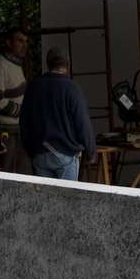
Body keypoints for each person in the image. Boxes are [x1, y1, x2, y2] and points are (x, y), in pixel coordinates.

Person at [19, 46, 96, 180]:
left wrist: (31, 150)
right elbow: (82, 123)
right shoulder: (72, 89)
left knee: (45, 200)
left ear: (48, 64)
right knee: (67, 199)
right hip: (65, 155)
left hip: (40, 154)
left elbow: (24, 122)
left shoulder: (33, 87)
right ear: (68, 63)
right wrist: (91, 152)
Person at [0, 28, 30, 148]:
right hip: (5, 133)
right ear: (9, 43)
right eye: (20, 41)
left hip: (16, 131)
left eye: (26, 42)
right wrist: (23, 110)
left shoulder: (15, 65)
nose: (24, 45)